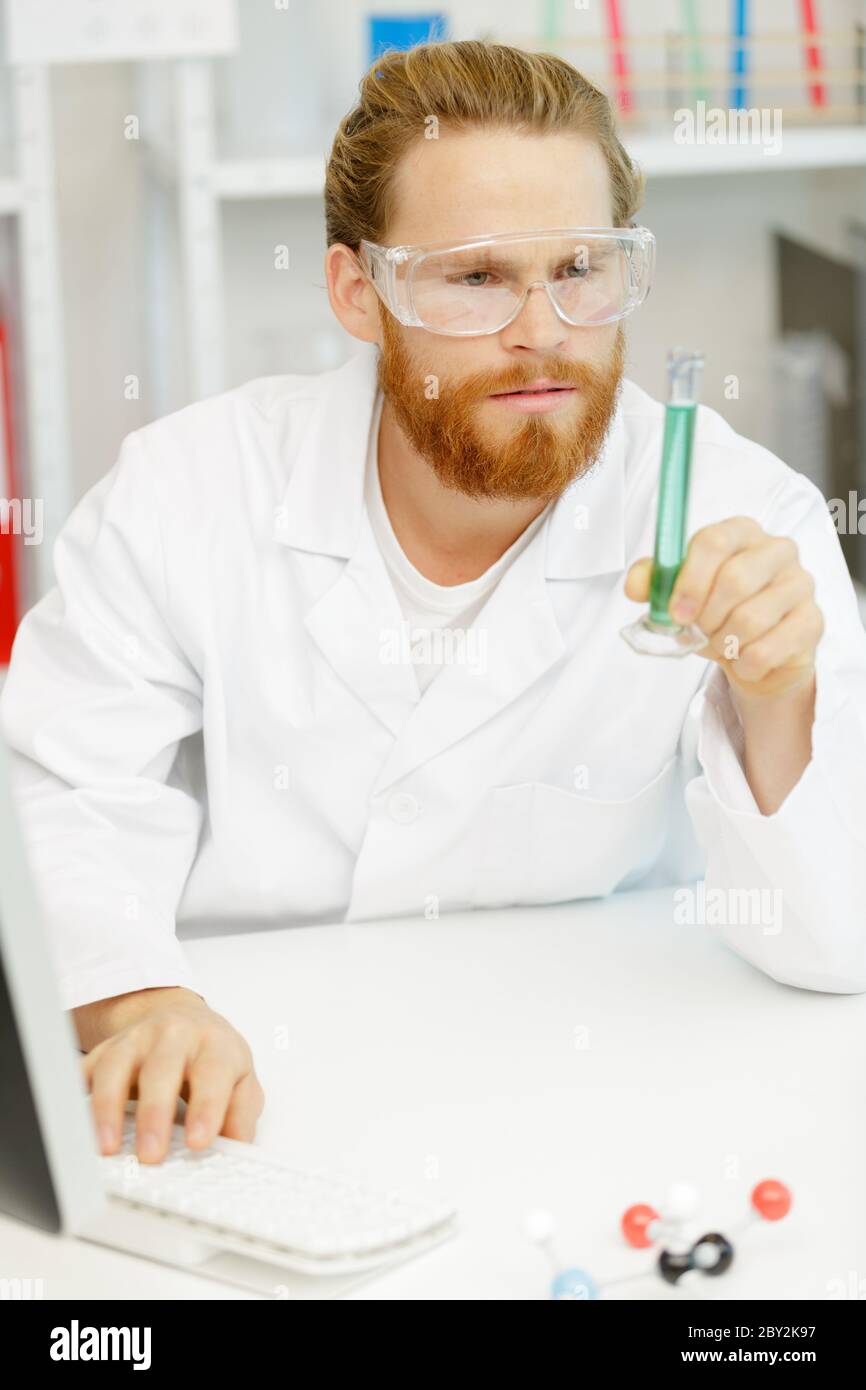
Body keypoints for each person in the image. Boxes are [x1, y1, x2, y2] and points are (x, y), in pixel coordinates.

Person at [2, 41, 865, 1166]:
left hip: (604, 1102)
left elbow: (836, 943)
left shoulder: (737, 511)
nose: (543, 329)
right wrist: (134, 1002)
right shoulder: (186, 495)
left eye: (580, 268)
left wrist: (776, 693)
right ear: (359, 292)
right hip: (255, 1105)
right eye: (475, 277)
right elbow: (57, 800)